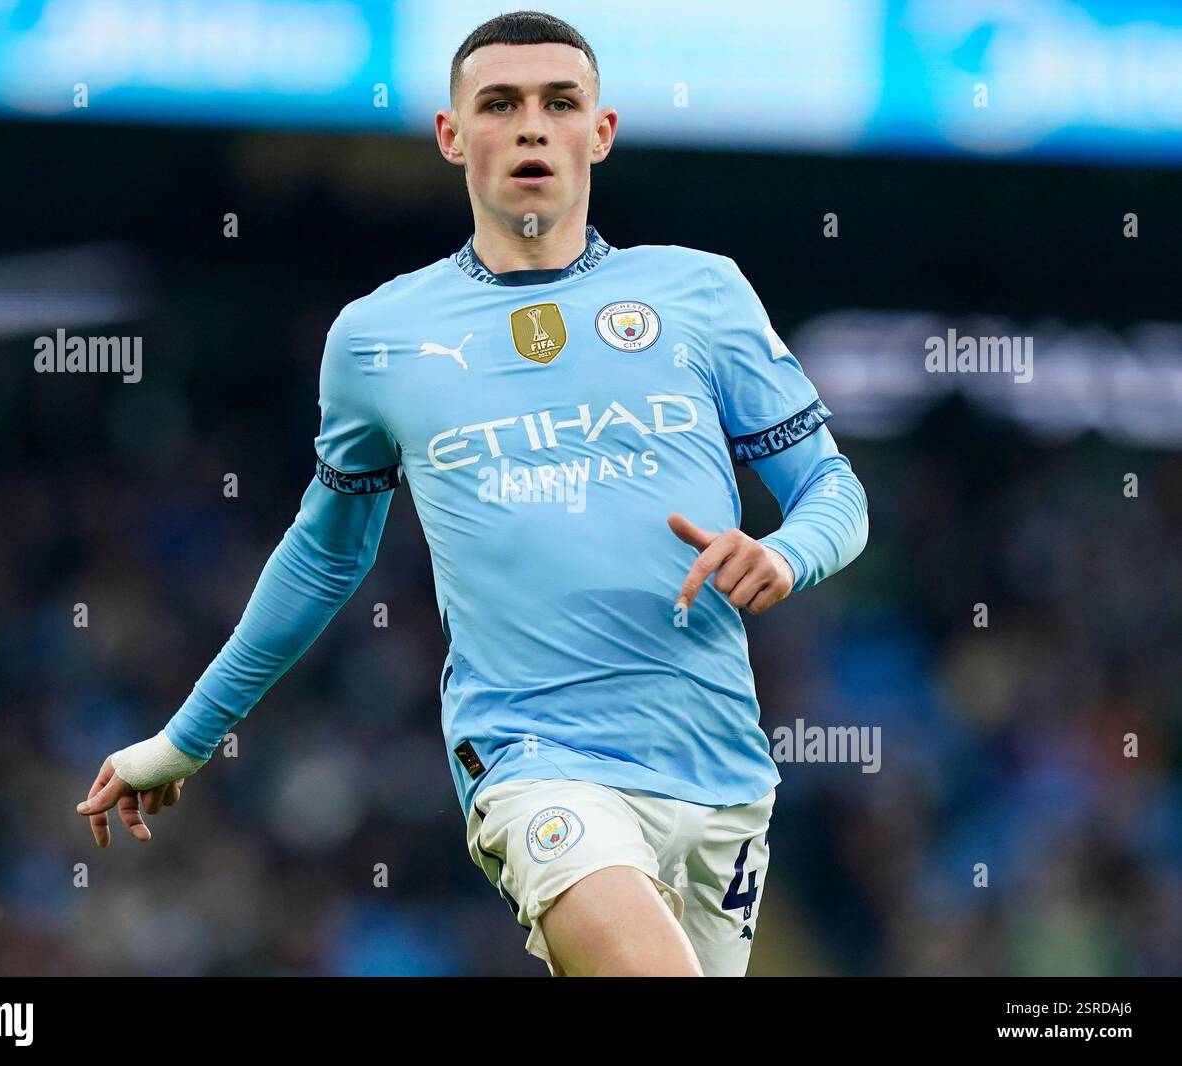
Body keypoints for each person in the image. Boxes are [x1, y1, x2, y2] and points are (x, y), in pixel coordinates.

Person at [76, 10, 869, 977]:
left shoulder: (700, 295)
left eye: (559, 103)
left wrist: (784, 552)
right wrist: (187, 737)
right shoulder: (379, 337)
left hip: (718, 772)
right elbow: (325, 554)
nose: (532, 125)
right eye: (500, 103)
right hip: (534, 761)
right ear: (453, 136)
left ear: (600, 132)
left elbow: (833, 489)